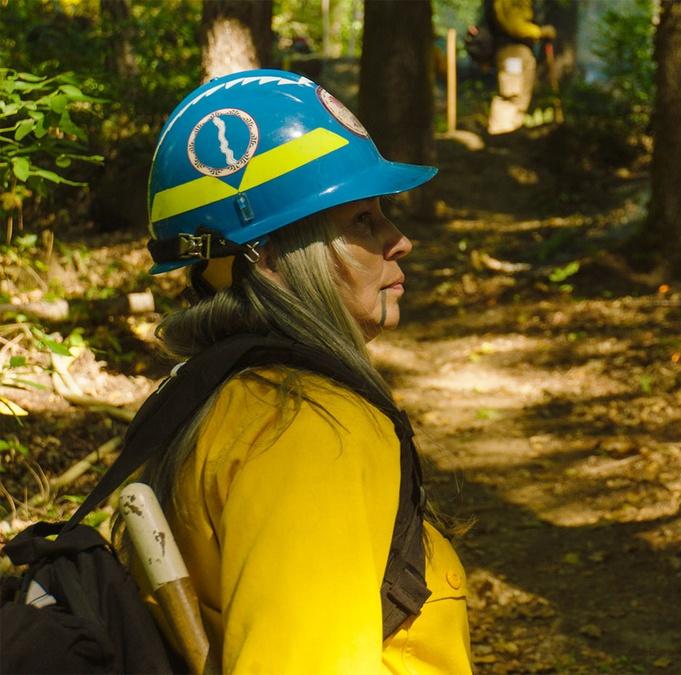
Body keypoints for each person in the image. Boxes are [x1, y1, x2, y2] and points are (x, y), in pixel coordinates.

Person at [136, 69, 471, 673]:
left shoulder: (209, 393)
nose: (400, 242)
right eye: (361, 222)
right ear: (271, 255)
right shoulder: (310, 431)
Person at [486, 0, 556, 135]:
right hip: (512, 53)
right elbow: (514, 26)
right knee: (511, 92)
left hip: (521, 52)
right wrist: (540, 32)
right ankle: (500, 135)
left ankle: (511, 133)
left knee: (520, 97)